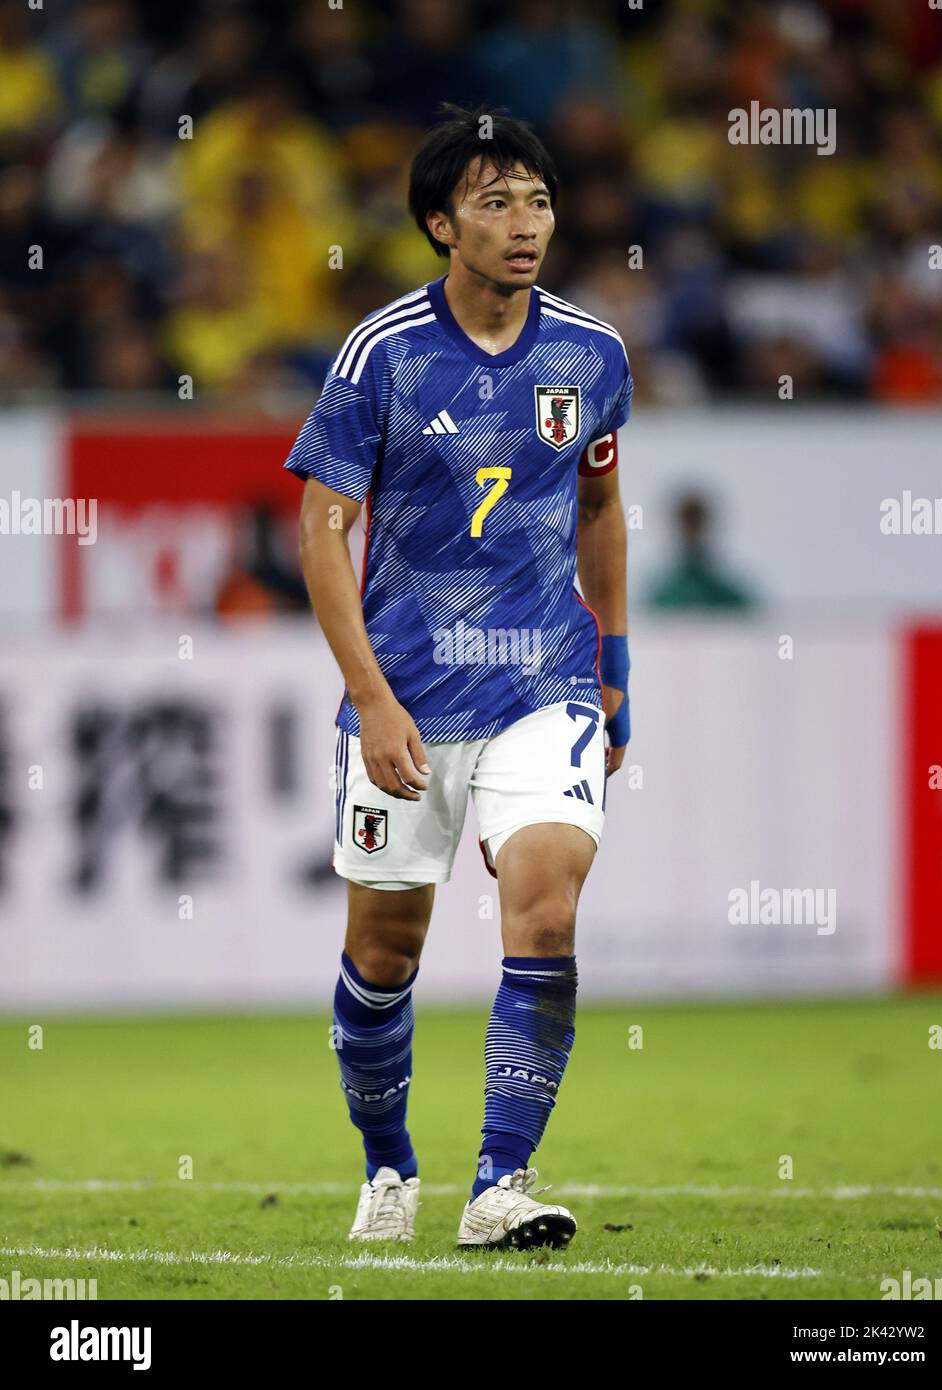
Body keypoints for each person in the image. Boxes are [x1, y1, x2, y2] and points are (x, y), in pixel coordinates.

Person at [284, 104, 633, 1251]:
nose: (525, 223)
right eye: (496, 202)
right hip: (410, 702)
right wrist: (373, 698)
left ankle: (504, 1182)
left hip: (545, 681)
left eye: (537, 199)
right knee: (386, 949)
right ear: (443, 224)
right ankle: (389, 1167)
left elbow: (598, 504)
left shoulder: (592, 354)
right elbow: (320, 529)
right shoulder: (384, 353)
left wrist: (615, 657)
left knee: (546, 901)